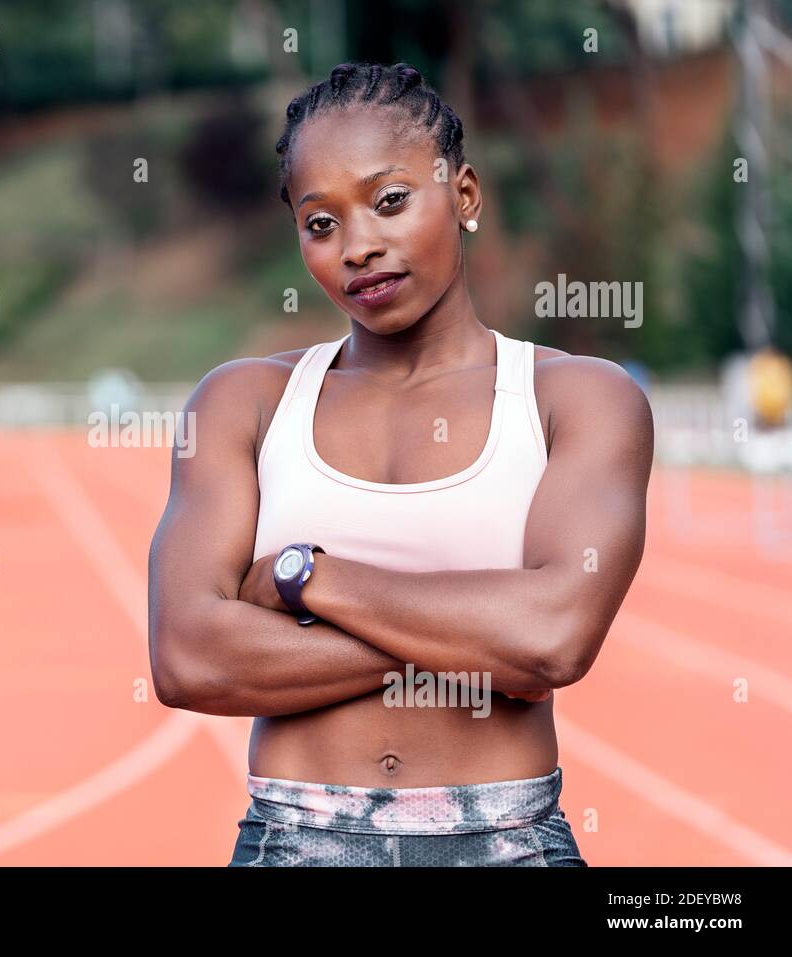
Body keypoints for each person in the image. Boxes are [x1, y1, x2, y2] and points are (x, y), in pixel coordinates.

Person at [146, 62, 654, 866]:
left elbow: (554, 640)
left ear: (465, 195)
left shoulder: (577, 398)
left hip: (506, 843)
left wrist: (304, 578)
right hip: (292, 842)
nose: (360, 247)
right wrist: (483, 648)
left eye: (390, 201)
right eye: (321, 223)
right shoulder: (243, 403)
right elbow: (187, 658)